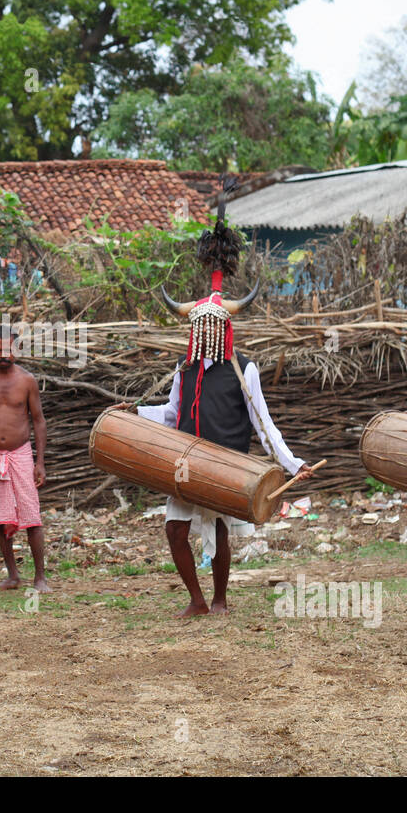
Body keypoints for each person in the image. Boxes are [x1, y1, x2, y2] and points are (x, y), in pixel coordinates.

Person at [130, 178, 312, 618]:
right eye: (198, 327)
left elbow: (263, 424)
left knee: (221, 529)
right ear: (193, 329)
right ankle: (196, 599)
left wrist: (292, 465)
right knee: (175, 530)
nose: (204, 333)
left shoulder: (242, 368)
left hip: (226, 462)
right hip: (186, 459)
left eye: (212, 326)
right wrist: (133, 414)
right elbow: (173, 414)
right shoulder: (184, 368)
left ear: (224, 328)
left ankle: (220, 599)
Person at [0, 329, 50, 593]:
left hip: (21, 453)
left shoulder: (27, 381)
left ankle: (40, 578)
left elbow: (38, 420)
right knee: (0, 518)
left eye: (8, 349)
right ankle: (13, 575)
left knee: (31, 516)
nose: (3, 355)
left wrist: (40, 462)